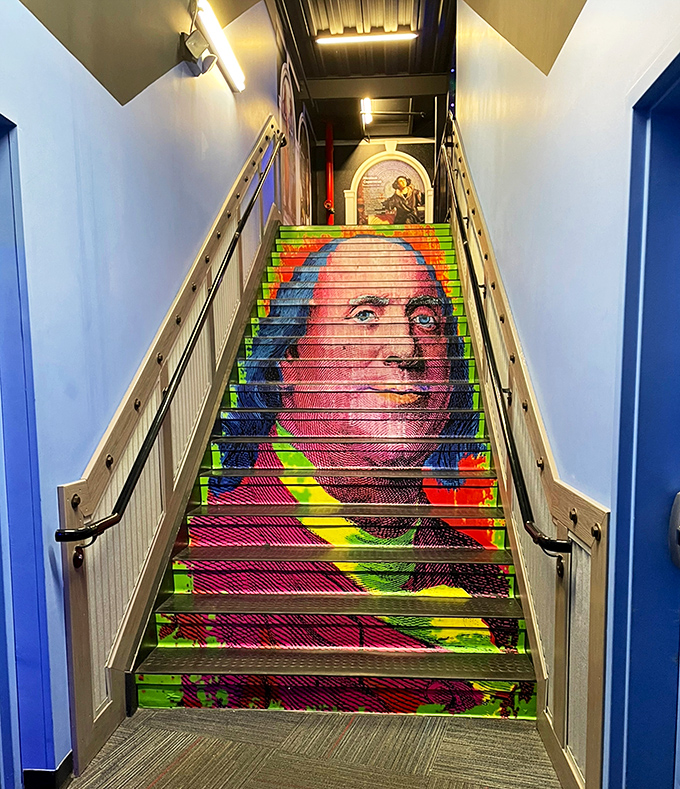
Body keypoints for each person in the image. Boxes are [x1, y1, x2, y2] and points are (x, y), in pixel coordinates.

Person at [188, 236, 524, 715]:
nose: (406, 348)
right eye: (365, 314)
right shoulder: (215, 560)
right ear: (288, 361)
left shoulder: (481, 574)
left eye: (425, 319)